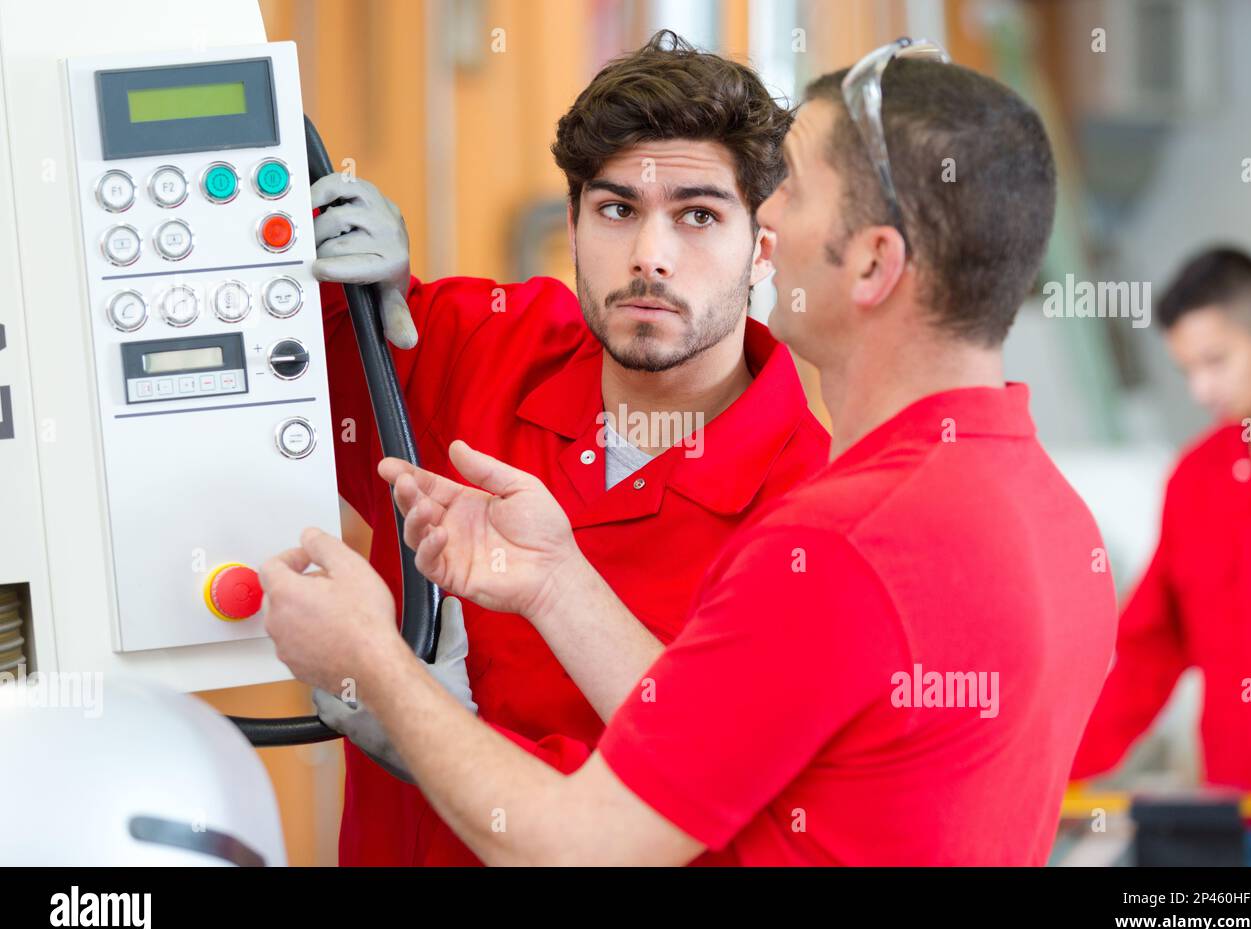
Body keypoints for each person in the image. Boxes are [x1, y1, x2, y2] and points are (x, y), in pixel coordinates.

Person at [264, 39, 1116, 864]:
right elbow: (722, 753)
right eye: (616, 208)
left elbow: (587, 843)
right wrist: (312, 278)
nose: (651, 253)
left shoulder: (830, 540)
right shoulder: (1050, 518)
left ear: (866, 263)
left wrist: (383, 675)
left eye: (721, 212)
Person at [311, 30, 829, 865]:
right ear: (576, 222)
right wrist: (320, 262)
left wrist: (418, 720)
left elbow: (706, 816)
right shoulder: (472, 342)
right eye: (617, 210)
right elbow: (259, 371)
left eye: (698, 215)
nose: (650, 258)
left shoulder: (809, 517)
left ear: (760, 250)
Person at [1071, 248, 1251, 866]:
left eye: (1215, 361)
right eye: (1187, 370)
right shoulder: (1195, 483)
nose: (1202, 389)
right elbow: (1148, 649)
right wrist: (1056, 769)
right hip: (1243, 821)